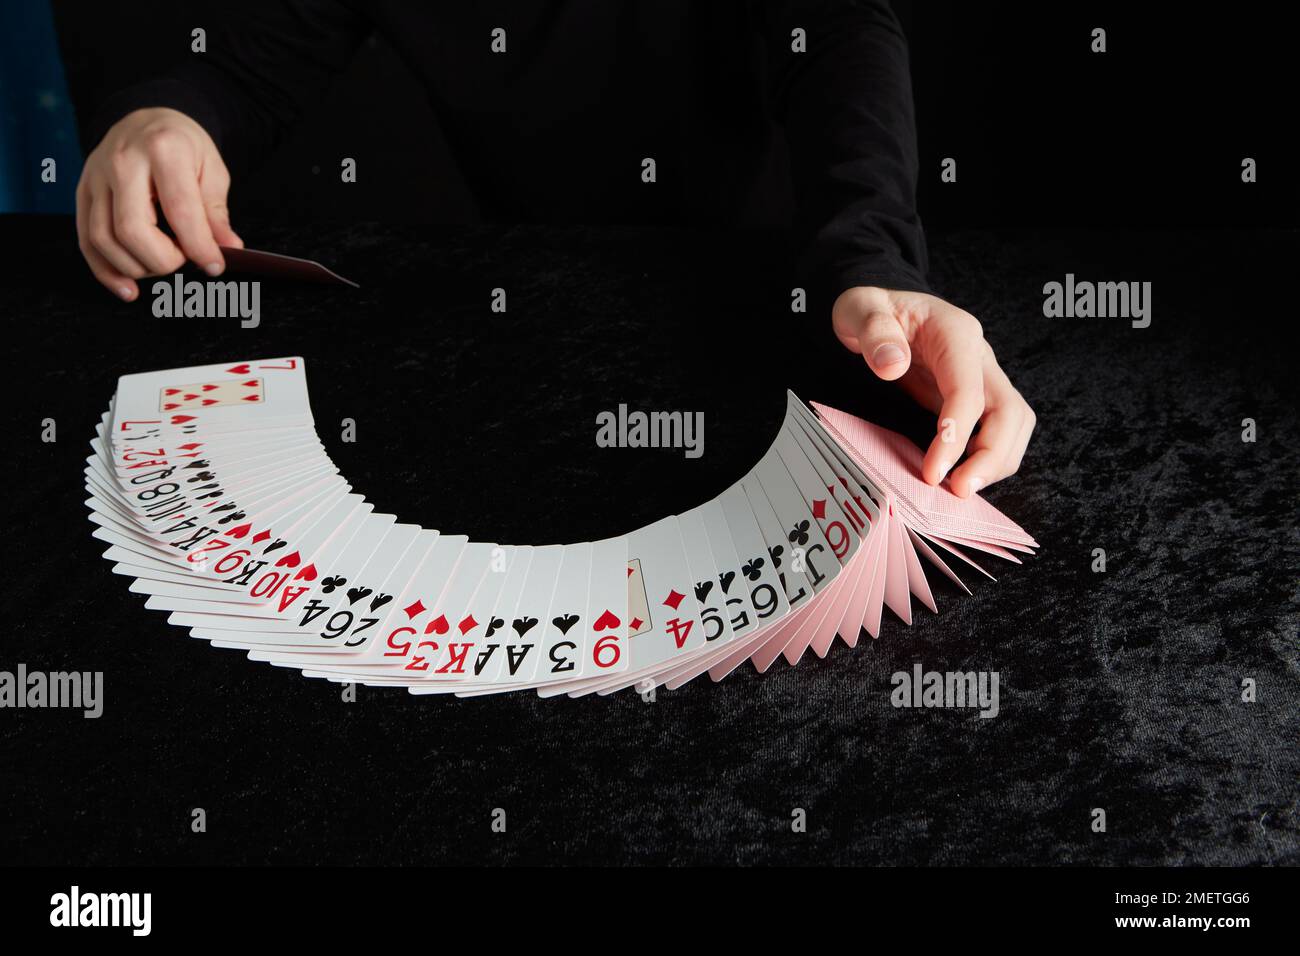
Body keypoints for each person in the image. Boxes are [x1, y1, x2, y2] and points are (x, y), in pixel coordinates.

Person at [74, 0, 1033, 497]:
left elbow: (835, 27)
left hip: (777, 304)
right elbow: (245, 68)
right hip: (530, 324)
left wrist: (872, 266)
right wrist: (166, 121)